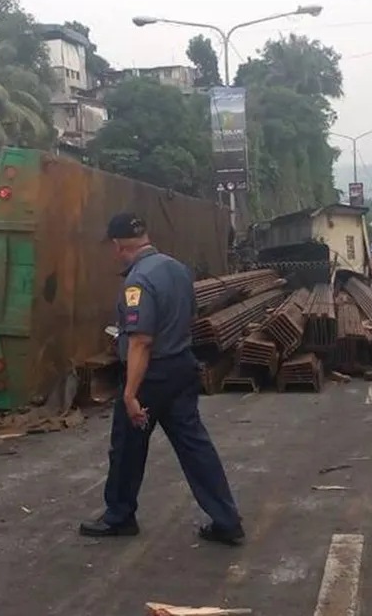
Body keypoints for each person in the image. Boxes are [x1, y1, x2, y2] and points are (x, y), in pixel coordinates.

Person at [79, 213, 244, 545]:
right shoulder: (178, 269)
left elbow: (141, 340)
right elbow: (189, 315)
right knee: (195, 447)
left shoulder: (137, 282)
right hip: (182, 367)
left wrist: (130, 393)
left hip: (151, 375)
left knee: (127, 446)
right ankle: (227, 520)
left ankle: (119, 516)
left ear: (117, 245)